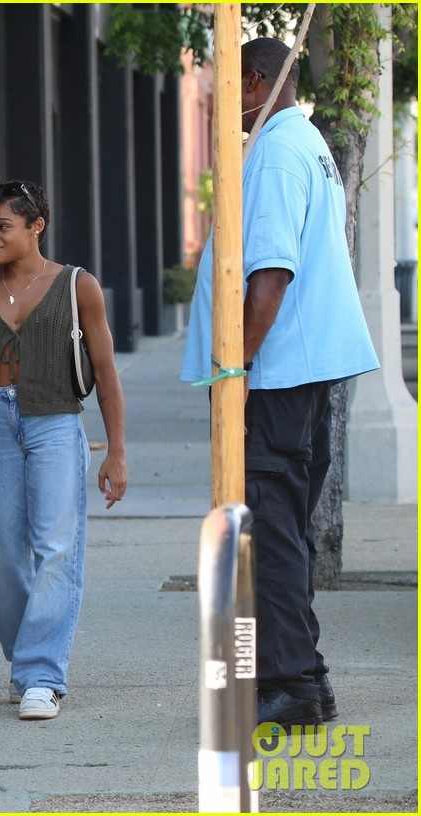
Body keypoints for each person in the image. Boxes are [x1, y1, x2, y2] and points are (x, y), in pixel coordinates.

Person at [182, 38, 379, 728]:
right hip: (298, 373)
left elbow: (268, 280)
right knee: (282, 530)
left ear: (256, 80)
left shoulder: (274, 151)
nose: (219, 99)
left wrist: (229, 375)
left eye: (228, 81)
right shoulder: (304, 144)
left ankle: (292, 683)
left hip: (275, 377)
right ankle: (305, 678)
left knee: (268, 531)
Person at [0, 180, 127, 721]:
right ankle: (27, 663)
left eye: (4, 227)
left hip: (55, 425)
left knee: (55, 548)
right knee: (0, 557)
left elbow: (108, 372)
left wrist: (116, 451)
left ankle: (41, 674)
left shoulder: (78, 286)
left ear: (35, 227)